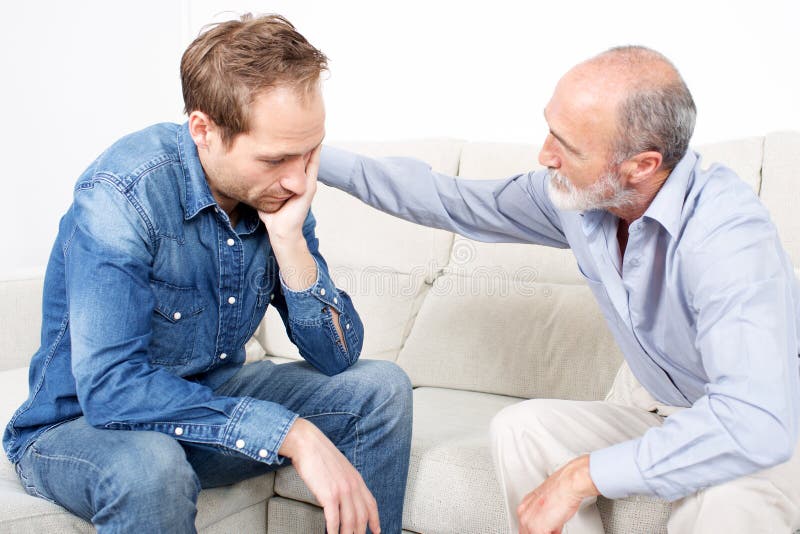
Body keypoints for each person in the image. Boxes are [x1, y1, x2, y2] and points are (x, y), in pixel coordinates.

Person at [317, 46, 800, 533]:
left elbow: (754, 421)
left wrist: (583, 475)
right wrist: (309, 158)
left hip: (772, 422)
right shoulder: (581, 202)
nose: (545, 155)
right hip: (663, 408)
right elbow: (451, 200)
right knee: (521, 429)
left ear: (641, 165)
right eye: (550, 127)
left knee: (728, 511)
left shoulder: (727, 236)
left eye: (567, 146)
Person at [3, 14, 412, 534]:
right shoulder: (122, 195)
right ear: (204, 130)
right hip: (82, 427)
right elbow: (111, 390)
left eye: (311, 152)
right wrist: (293, 434)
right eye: (277, 158)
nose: (298, 179)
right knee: (151, 466)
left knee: (381, 389)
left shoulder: (280, 195)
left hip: (208, 402)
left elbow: (338, 355)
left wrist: (289, 242)